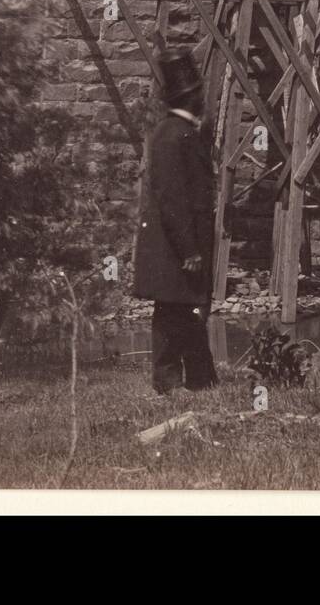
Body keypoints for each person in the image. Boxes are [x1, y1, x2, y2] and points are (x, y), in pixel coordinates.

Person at [133, 48, 219, 395]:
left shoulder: (180, 131)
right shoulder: (173, 135)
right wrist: (189, 249)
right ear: (193, 96)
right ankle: (167, 381)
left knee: (188, 309)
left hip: (183, 241)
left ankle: (201, 378)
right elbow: (172, 199)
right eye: (199, 92)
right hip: (176, 244)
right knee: (172, 311)